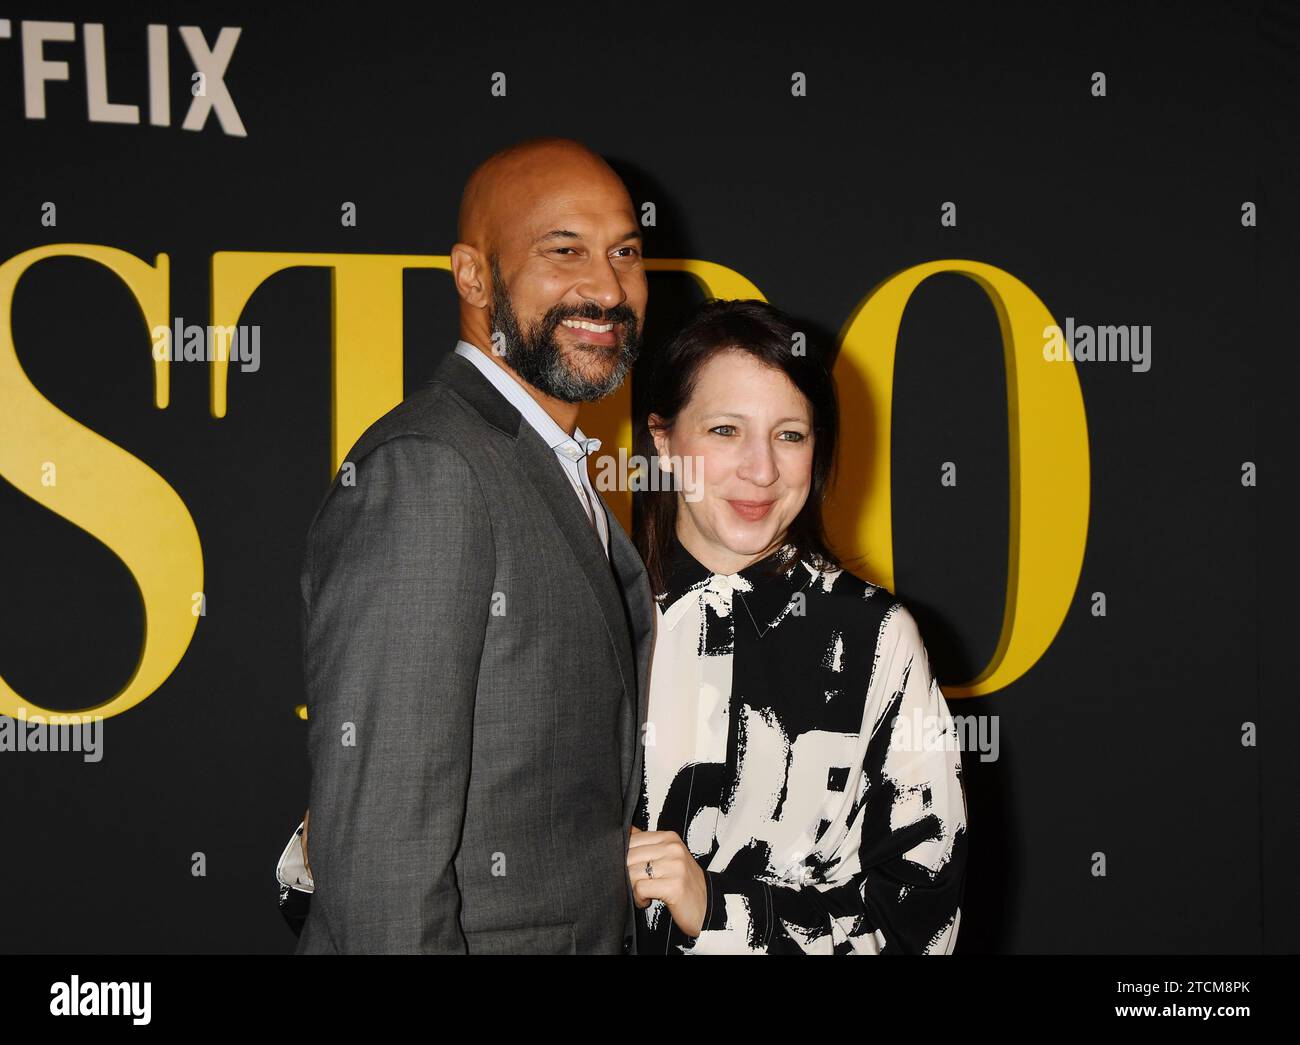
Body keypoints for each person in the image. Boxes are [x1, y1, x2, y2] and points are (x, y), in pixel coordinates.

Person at [294, 137, 655, 954]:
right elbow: (384, 863)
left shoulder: (539, 463)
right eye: (564, 251)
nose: (606, 286)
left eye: (625, 252)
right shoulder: (431, 471)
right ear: (473, 276)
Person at [626, 299, 968, 954]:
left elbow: (923, 919)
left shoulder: (879, 637)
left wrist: (721, 911)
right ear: (663, 440)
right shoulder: (592, 611)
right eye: (726, 430)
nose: (762, 468)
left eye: (790, 434)